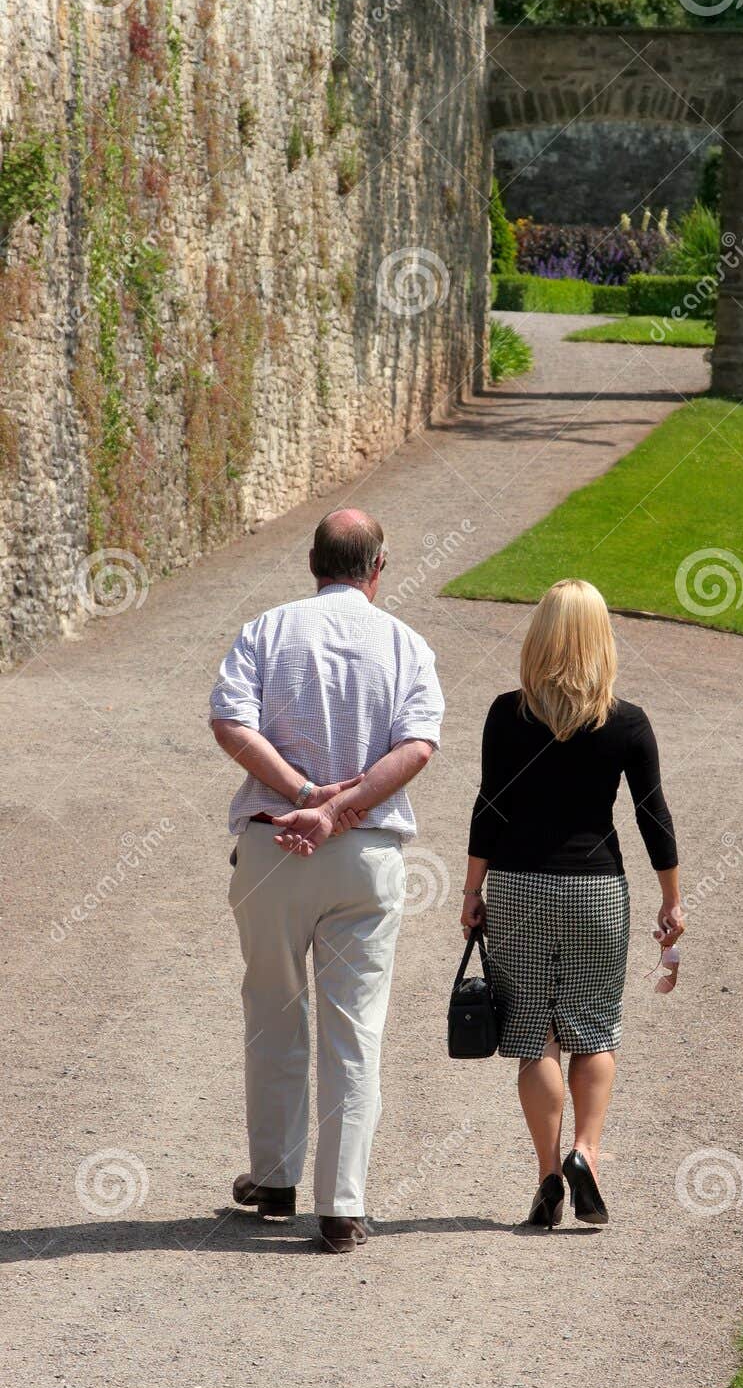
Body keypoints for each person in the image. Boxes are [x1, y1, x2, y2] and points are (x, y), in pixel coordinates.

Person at [209, 507, 443, 1254]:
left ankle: (275, 1179)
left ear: (312, 562)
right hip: (366, 855)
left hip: (274, 846)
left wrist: (302, 795)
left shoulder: (266, 631)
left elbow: (229, 723)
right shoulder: (406, 643)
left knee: (273, 1011)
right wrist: (342, 807)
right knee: (356, 1028)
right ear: (379, 567)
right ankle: (343, 1205)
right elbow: (417, 747)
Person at [461, 578, 683, 1230]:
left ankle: (549, 1174)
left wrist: (472, 891)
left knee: (536, 1039)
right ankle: (587, 1151)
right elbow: (653, 817)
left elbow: (489, 809)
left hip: (520, 885)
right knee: (594, 1028)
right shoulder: (628, 721)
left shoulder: (508, 714)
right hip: (596, 890)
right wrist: (672, 902)